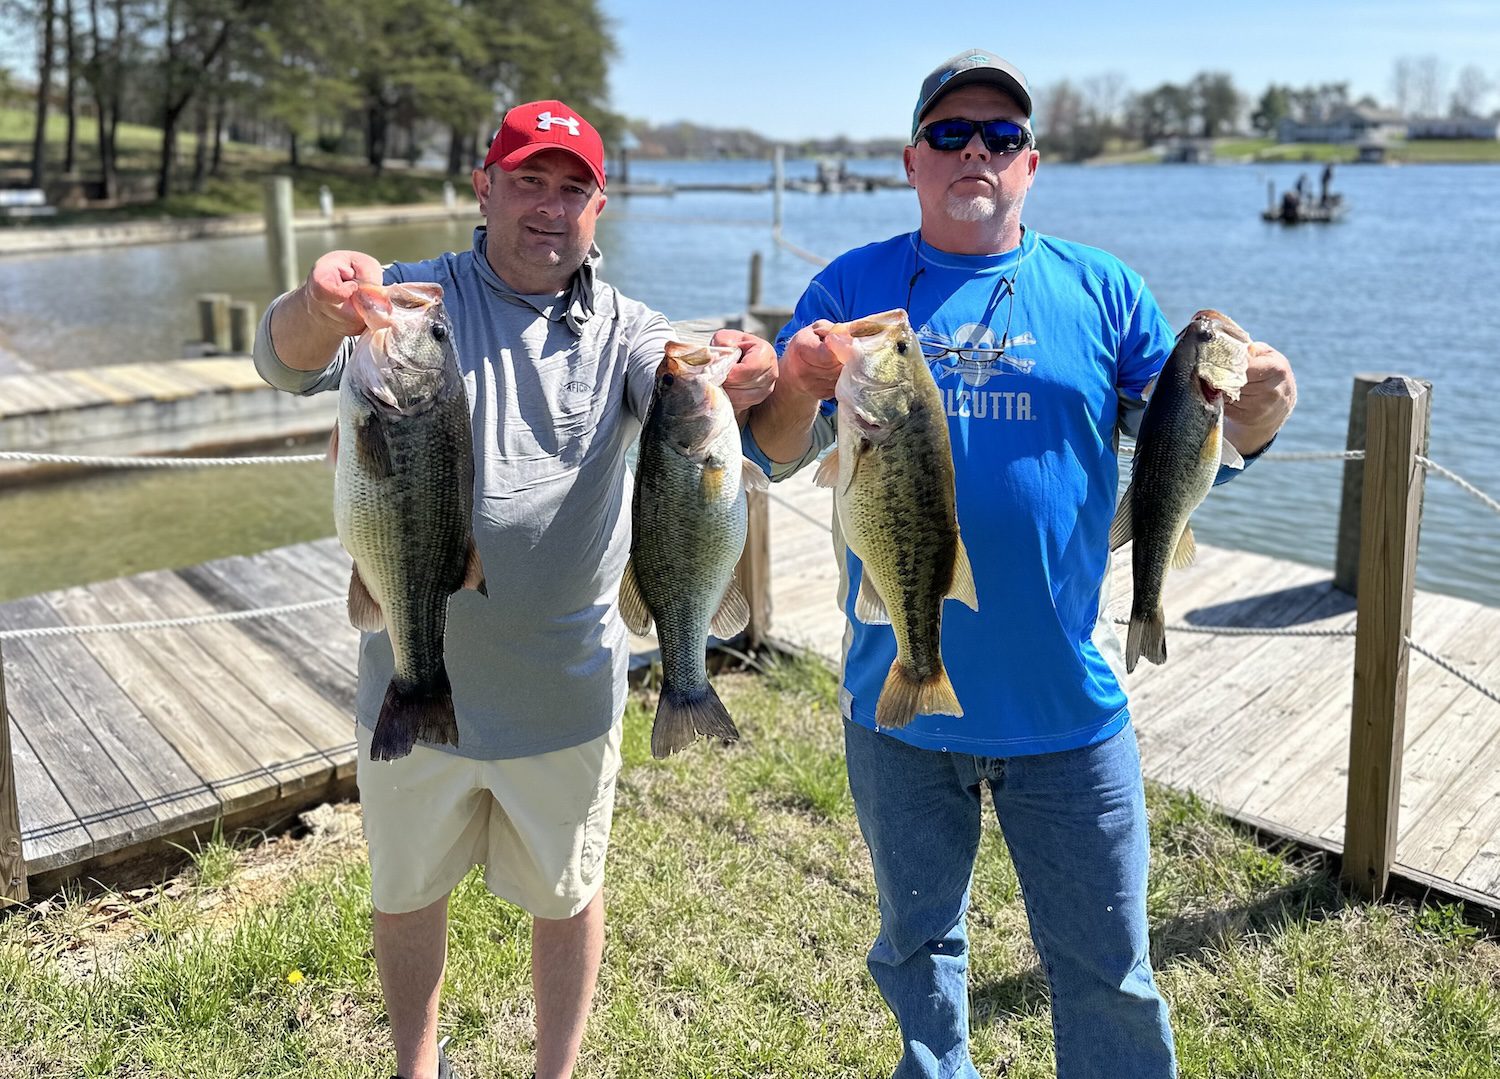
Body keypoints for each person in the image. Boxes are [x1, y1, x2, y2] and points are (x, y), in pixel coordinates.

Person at [742, 49, 1296, 1079]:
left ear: (1032, 164)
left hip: (1066, 706)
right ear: (913, 161)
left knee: (1109, 968)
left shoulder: (1104, 288)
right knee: (917, 950)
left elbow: (1188, 430)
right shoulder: (851, 286)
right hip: (896, 704)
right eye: (951, 135)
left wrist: (1261, 400)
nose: (976, 152)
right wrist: (799, 380)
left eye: (1001, 136)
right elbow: (775, 446)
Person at [252, 99, 775, 1079]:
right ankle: (417, 1065)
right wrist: (321, 307)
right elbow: (280, 361)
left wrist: (738, 372)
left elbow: (672, 388)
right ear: (482, 187)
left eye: (570, 188)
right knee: (405, 888)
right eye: (526, 181)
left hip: (566, 688)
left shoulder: (628, 328)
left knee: (568, 893)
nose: (547, 207)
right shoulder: (415, 303)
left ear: (598, 208)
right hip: (410, 672)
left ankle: (556, 1069)